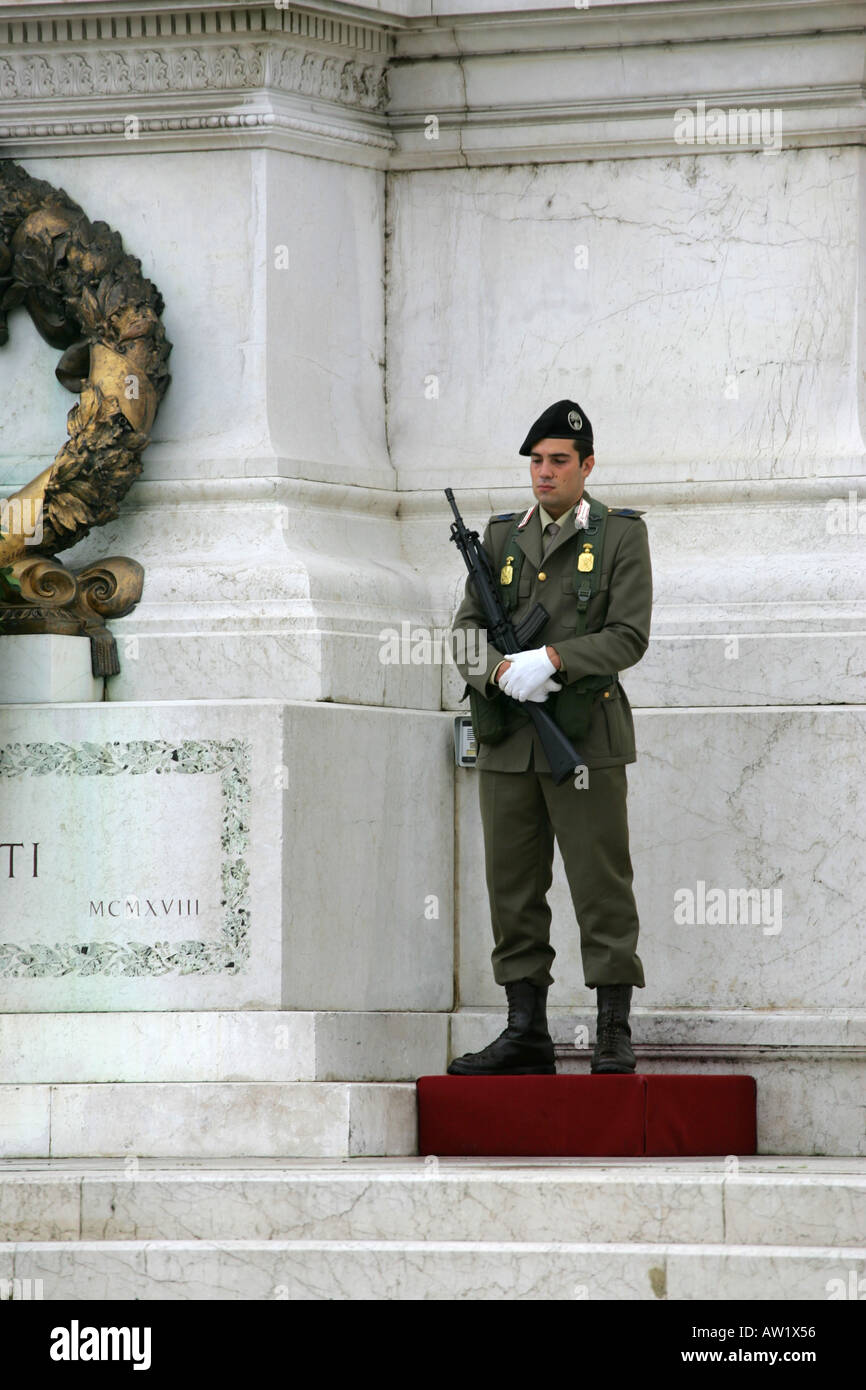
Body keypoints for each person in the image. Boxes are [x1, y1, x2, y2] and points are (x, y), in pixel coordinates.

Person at [449, 399, 652, 1076]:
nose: (543, 473)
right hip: (510, 739)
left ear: (586, 465)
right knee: (512, 887)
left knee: (600, 883)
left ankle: (613, 1030)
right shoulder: (501, 537)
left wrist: (555, 661)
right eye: (535, 461)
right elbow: (465, 630)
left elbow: (628, 636)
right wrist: (501, 672)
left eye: (558, 461)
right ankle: (525, 1031)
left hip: (584, 737)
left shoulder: (621, 536)